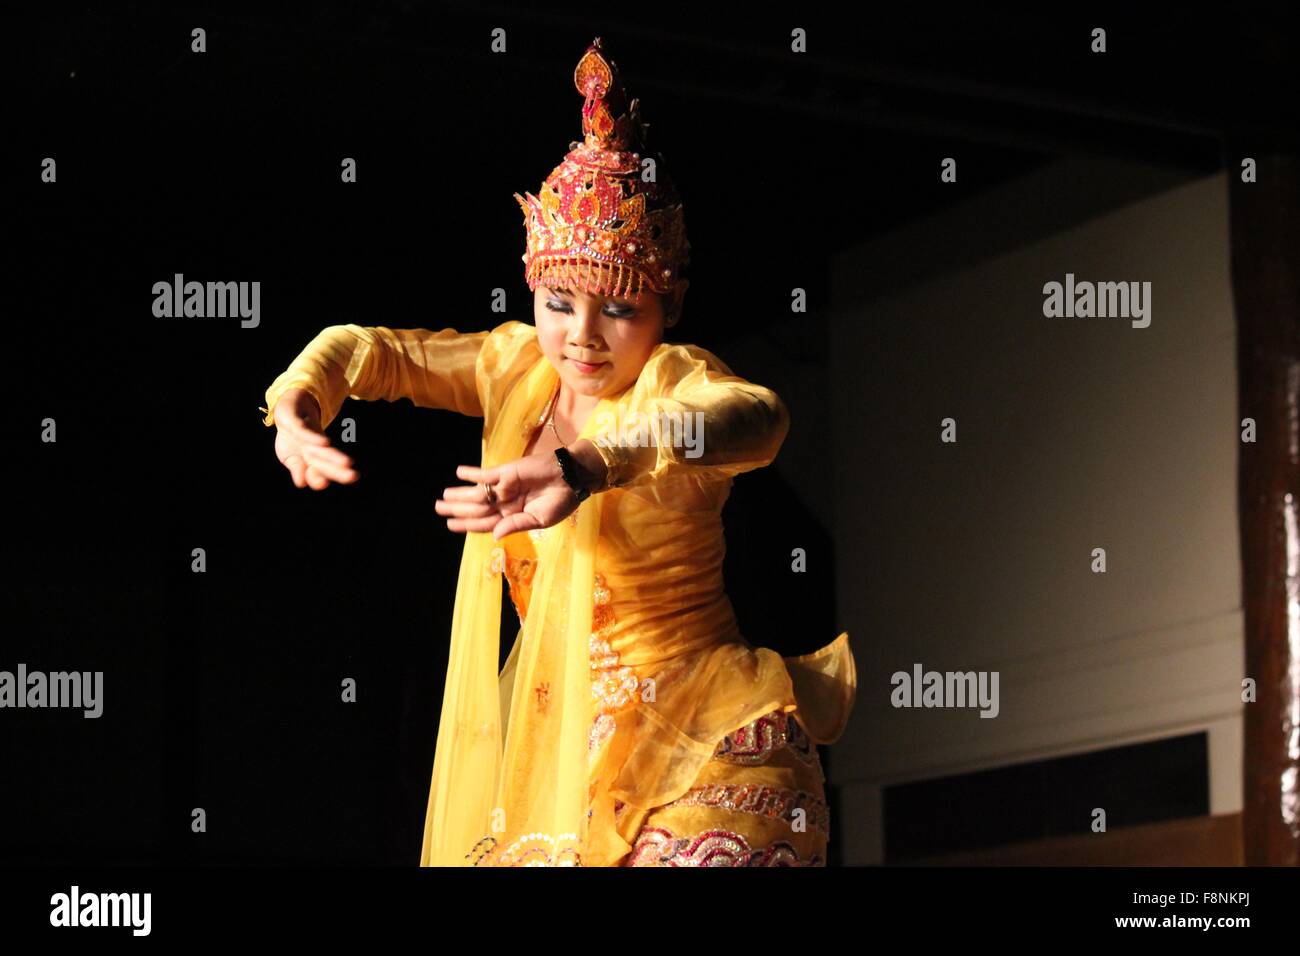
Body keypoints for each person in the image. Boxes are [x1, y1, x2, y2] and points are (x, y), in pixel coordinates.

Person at [258, 37, 856, 866]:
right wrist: (296, 406)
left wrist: (585, 466)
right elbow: (369, 350)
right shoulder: (515, 368)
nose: (581, 338)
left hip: (708, 740)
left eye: (619, 310)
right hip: (568, 749)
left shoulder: (670, 384)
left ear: (667, 306)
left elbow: (757, 419)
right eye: (558, 301)